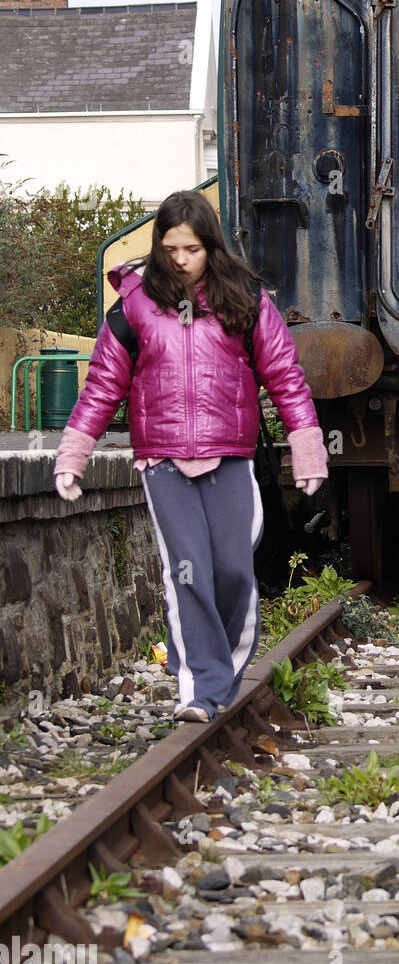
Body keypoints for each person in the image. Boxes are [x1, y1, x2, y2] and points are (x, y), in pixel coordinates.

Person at [53, 191, 328, 722]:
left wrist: (309, 450)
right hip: (162, 462)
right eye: (170, 247)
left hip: (230, 458)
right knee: (187, 574)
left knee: (231, 571)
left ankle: (217, 664)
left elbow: (286, 378)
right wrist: (73, 455)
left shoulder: (246, 299)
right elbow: (103, 387)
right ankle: (200, 689)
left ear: (211, 248)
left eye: (193, 248)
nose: (180, 259)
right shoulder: (133, 305)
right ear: (158, 245)